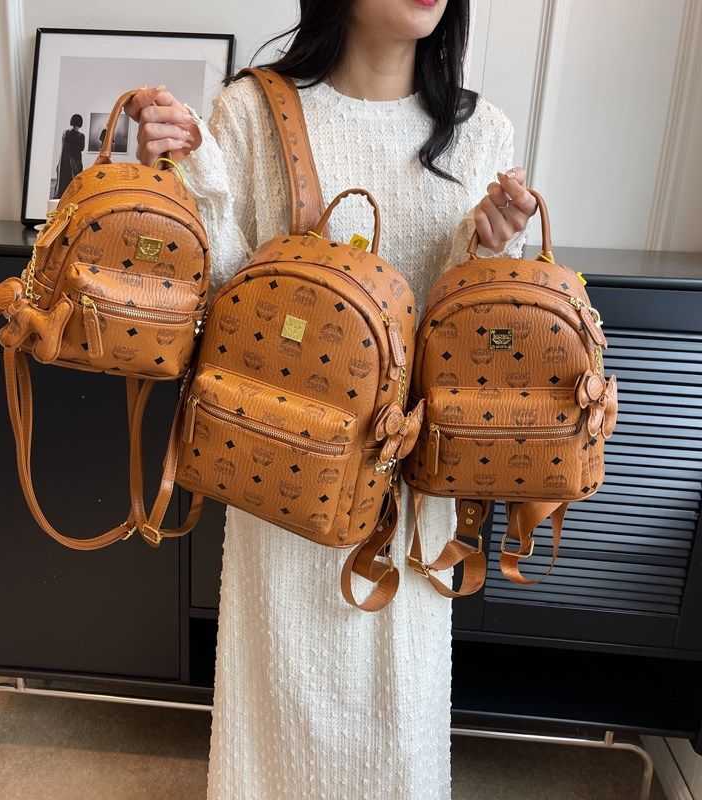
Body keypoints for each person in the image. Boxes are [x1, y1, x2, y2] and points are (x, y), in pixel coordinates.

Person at [125, 1, 537, 797]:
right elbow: (225, 301)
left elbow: (463, 346)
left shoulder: (480, 131)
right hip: (281, 473)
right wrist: (187, 179)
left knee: (401, 714)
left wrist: (493, 248)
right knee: (279, 702)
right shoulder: (249, 110)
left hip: (408, 488)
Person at [54, 113, 85, 198]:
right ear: (80, 123)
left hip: (64, 161)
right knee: (74, 179)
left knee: (63, 181)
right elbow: (82, 148)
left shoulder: (65, 133)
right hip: (76, 162)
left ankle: (61, 197)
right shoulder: (81, 136)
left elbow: (65, 146)